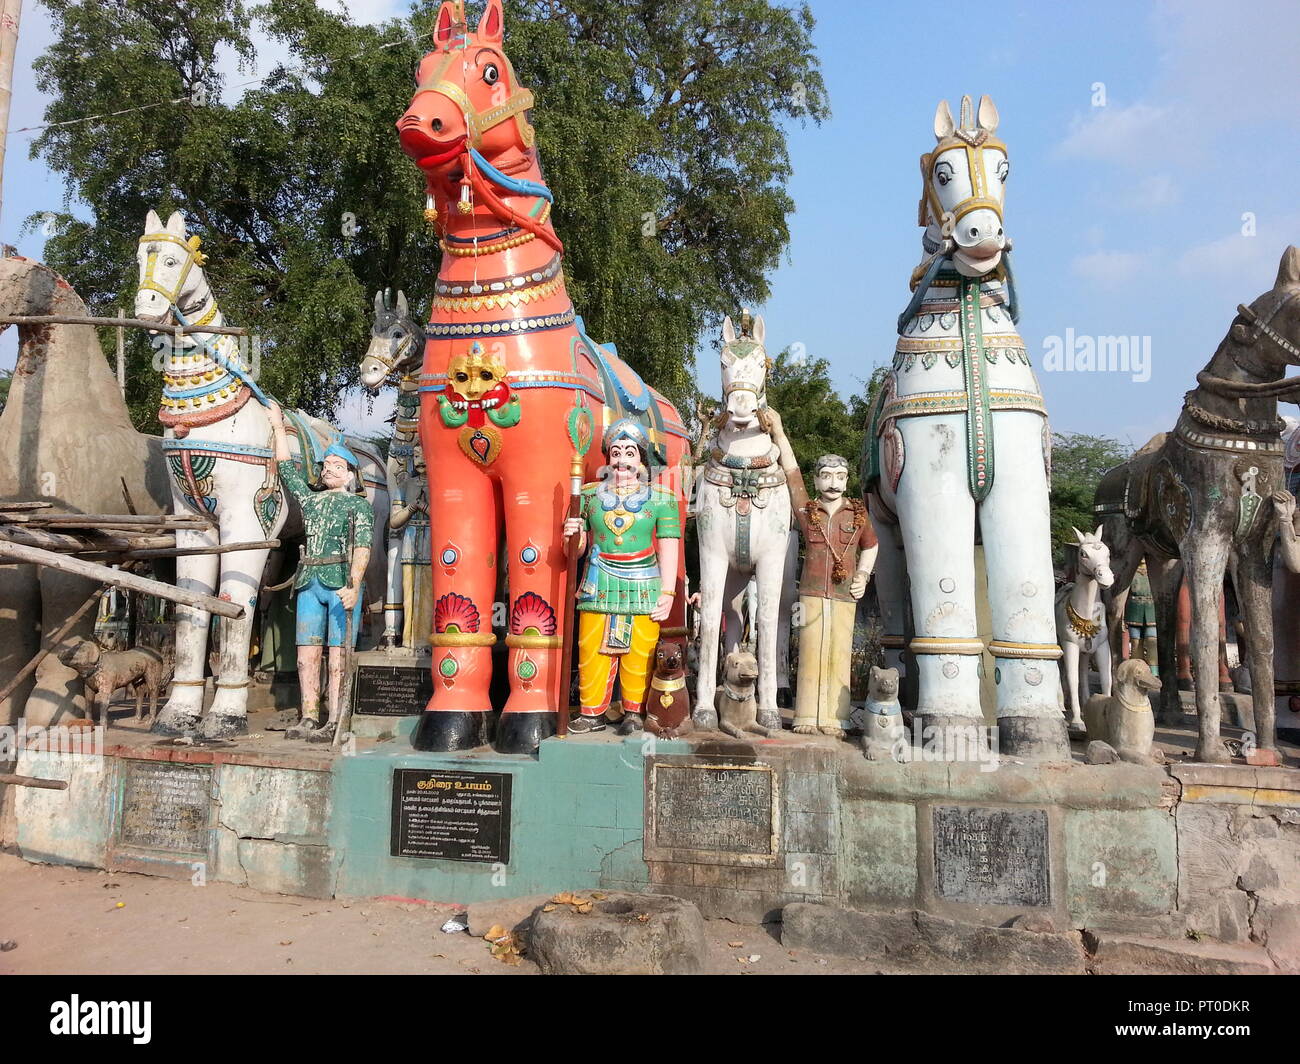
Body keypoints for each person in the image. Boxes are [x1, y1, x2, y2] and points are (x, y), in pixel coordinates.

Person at [562, 420, 680, 734]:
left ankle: (634, 711)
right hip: (597, 580)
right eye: (615, 453)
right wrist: (572, 534)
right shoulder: (588, 496)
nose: (621, 461)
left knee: (640, 651)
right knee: (592, 647)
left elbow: (669, 545)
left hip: (644, 582)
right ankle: (592, 713)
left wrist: (668, 592)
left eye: (630, 453)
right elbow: (575, 549)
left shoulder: (662, 498)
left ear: (642, 460)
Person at [267, 402, 374, 743]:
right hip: (309, 581)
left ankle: (337, 717)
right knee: (306, 654)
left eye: (336, 466)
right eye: (326, 465)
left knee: (339, 656)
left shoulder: (358, 505)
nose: (329, 470)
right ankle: (310, 715)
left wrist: (355, 585)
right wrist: (277, 426)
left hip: (341, 582)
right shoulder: (312, 500)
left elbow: (362, 547)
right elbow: (287, 470)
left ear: (350, 474)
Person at [772, 417, 878, 736]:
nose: (834, 482)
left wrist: (863, 574)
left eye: (840, 476)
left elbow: (871, 545)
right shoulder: (808, 512)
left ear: (847, 480)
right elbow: (792, 475)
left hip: (845, 593)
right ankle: (806, 715)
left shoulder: (857, 514)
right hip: (811, 592)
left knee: (840, 653)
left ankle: (837, 718)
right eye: (827, 476)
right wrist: (780, 432)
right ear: (817, 480)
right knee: (810, 652)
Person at [390, 444, 432, 651]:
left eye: (424, 454)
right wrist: (412, 507)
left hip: (431, 540)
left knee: (429, 592)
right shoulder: (406, 484)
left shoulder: (440, 482)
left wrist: (424, 507)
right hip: (410, 539)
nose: (420, 459)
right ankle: (409, 639)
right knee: (408, 590)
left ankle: (427, 639)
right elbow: (394, 521)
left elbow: (446, 516)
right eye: (416, 455)